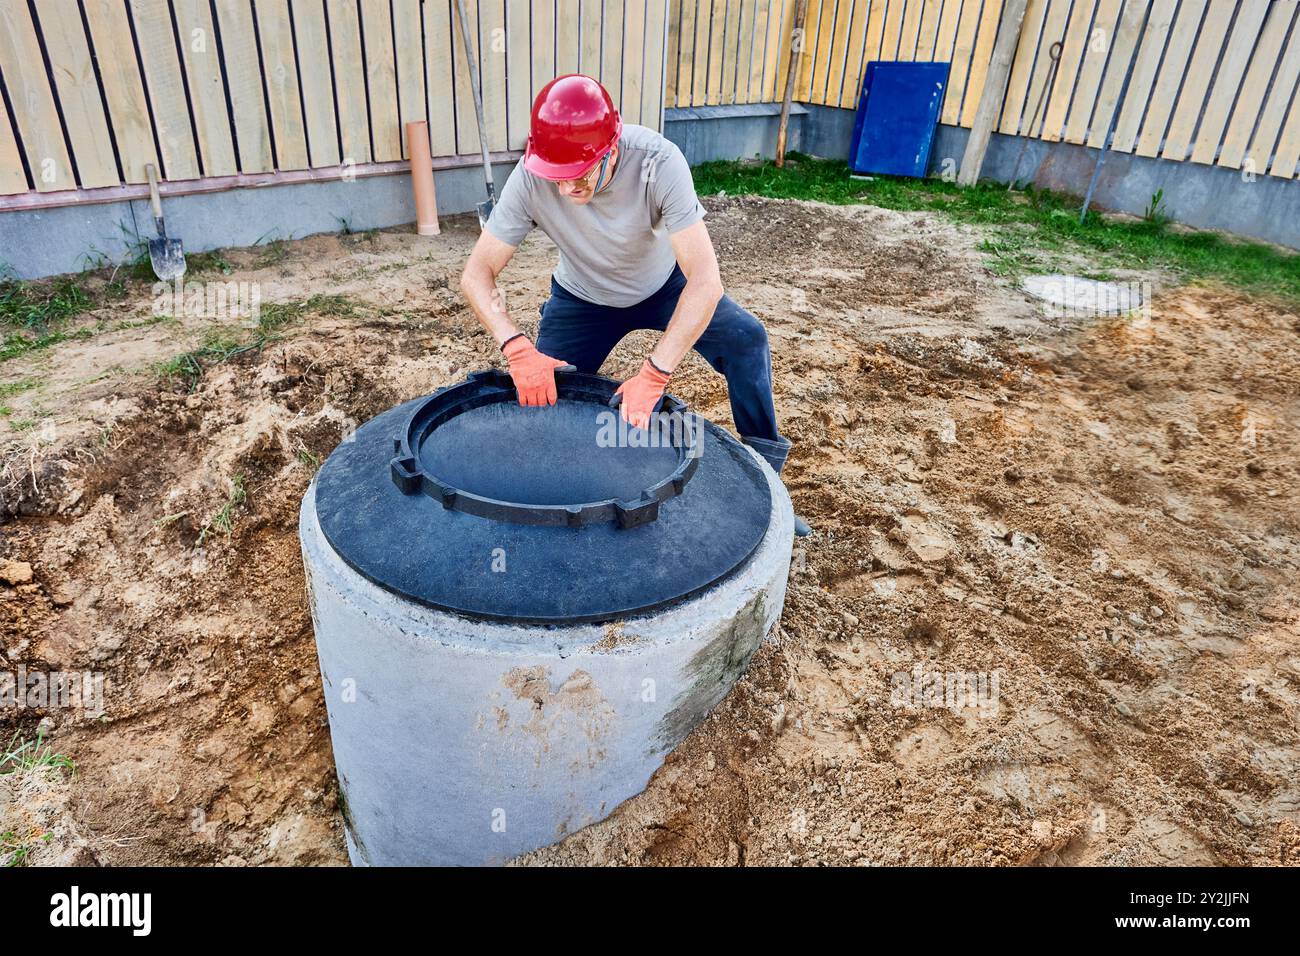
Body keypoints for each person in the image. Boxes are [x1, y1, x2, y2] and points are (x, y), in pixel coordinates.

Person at [459, 73, 810, 536]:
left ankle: (768, 485)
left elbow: (705, 282)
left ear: (612, 147)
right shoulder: (531, 176)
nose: (565, 190)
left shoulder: (658, 162)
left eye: (578, 176)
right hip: (582, 297)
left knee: (747, 340)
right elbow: (476, 274)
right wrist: (517, 348)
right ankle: (553, 502)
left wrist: (654, 373)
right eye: (555, 178)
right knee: (546, 395)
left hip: (663, 285)